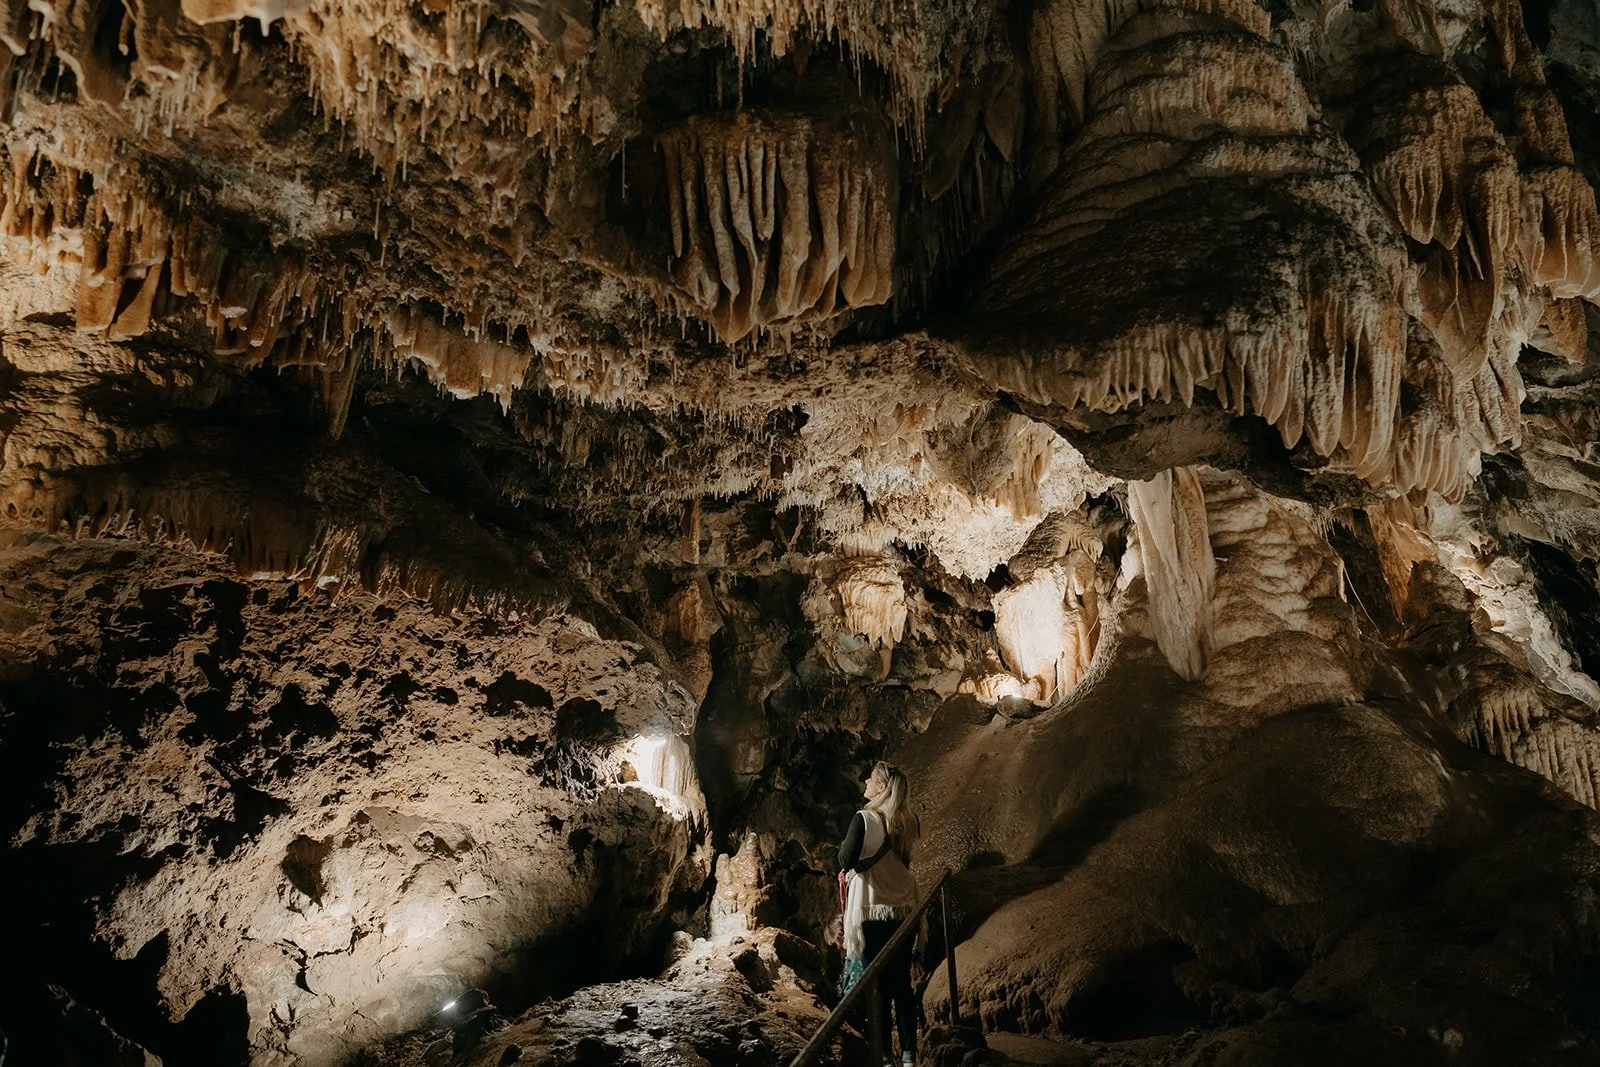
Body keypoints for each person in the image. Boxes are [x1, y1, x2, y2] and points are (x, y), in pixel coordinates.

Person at [838, 761, 921, 1066]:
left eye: (870, 780)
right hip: (905, 904)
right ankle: (910, 1054)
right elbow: (905, 861)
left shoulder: (864, 819)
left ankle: (885, 1055)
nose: (865, 783)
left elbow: (845, 859)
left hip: (873, 907)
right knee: (901, 982)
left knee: (879, 986)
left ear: (882, 788)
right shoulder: (908, 819)